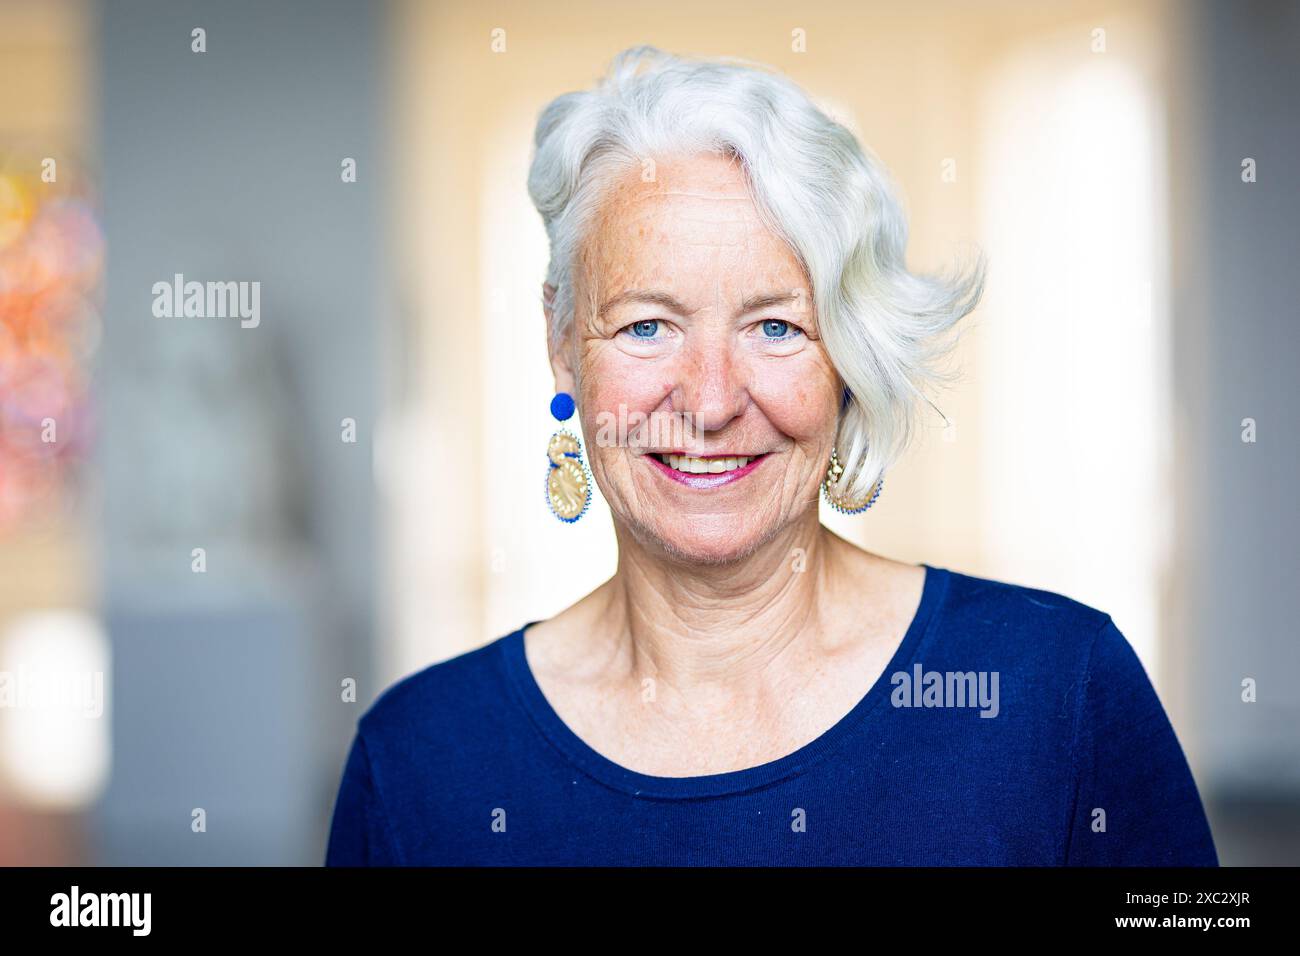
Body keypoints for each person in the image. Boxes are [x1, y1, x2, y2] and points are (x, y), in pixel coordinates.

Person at [326, 46, 1217, 866]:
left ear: (850, 360)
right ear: (563, 343)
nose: (711, 401)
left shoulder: (1054, 692)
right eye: (647, 324)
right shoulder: (420, 765)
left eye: (776, 326)